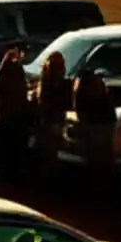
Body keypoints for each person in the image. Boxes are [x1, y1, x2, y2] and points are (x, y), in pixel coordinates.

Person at [70, 68, 118, 195]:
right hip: (104, 127)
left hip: (92, 128)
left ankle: (95, 190)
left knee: (93, 162)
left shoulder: (82, 90)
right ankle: (106, 189)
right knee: (105, 159)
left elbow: (79, 110)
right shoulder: (102, 89)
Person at [0, 45, 34, 180]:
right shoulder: (15, 69)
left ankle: (8, 173)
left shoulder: (4, 70)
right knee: (16, 148)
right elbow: (19, 94)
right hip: (15, 117)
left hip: (6, 116)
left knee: (8, 149)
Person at [33, 52, 72, 182]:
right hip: (54, 119)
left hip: (47, 120)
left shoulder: (44, 82)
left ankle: (46, 176)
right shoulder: (58, 83)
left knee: (47, 150)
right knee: (52, 151)